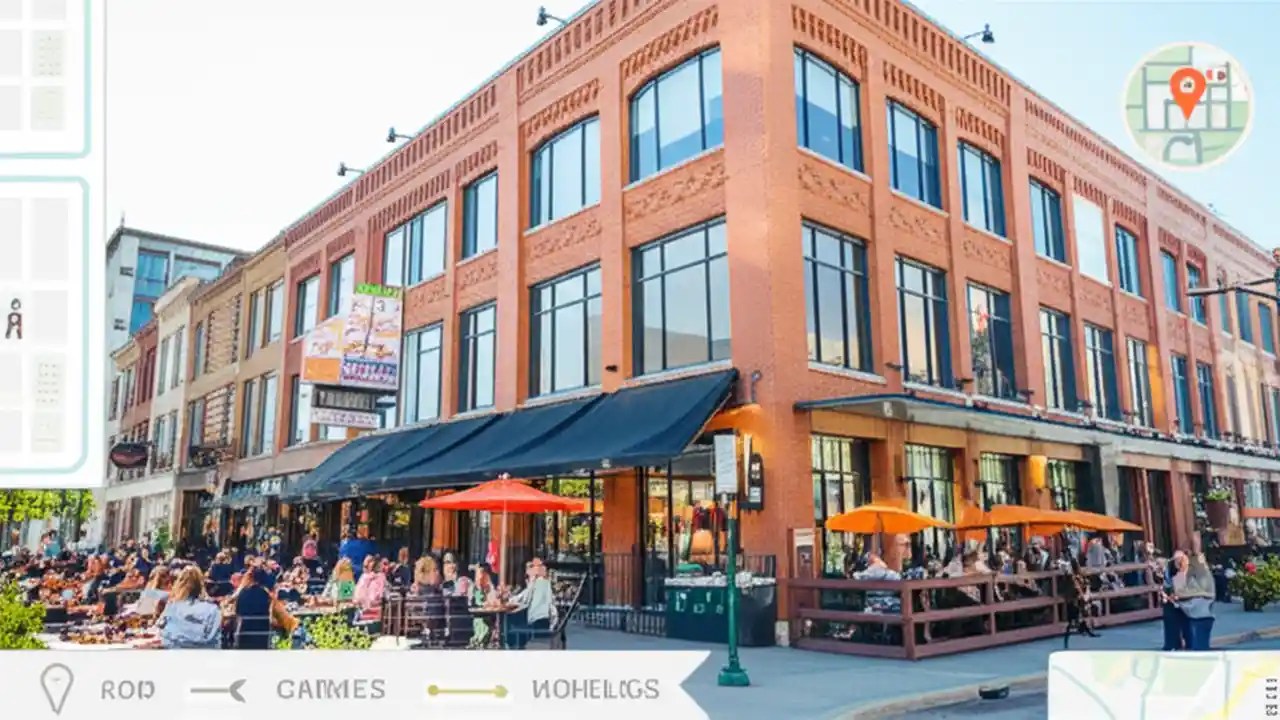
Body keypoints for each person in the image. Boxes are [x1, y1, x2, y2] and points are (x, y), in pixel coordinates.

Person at [158, 566, 221, 649]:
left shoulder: (172, 607)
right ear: (201, 584)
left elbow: (162, 631)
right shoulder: (213, 610)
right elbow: (215, 641)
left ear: (180, 584)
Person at [1170, 537, 1215, 651]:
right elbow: (1178, 592)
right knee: (1194, 647)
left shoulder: (1199, 571)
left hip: (1200, 615)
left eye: (1181, 558)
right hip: (1189, 615)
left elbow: (1207, 591)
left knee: (1199, 647)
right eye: (1176, 560)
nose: (1179, 562)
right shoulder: (1178, 577)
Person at [505, 557, 554, 649]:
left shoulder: (538, 582)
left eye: (530, 568)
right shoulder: (545, 582)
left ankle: (513, 646)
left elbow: (525, 599)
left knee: (511, 624)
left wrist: (510, 600)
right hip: (545, 621)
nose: (527, 572)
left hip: (538, 622)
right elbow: (524, 597)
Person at [233, 568, 275, 649]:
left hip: (246, 635)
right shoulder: (266, 594)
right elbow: (271, 615)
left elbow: (237, 614)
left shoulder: (243, 593)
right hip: (262, 636)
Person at [1161, 550, 1189, 651]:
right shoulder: (1169, 567)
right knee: (1169, 616)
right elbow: (1166, 584)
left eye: (1180, 560)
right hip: (1172, 596)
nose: (1178, 562)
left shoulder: (1189, 567)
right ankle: (1171, 643)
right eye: (1176, 560)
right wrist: (1168, 595)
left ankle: (1188, 642)